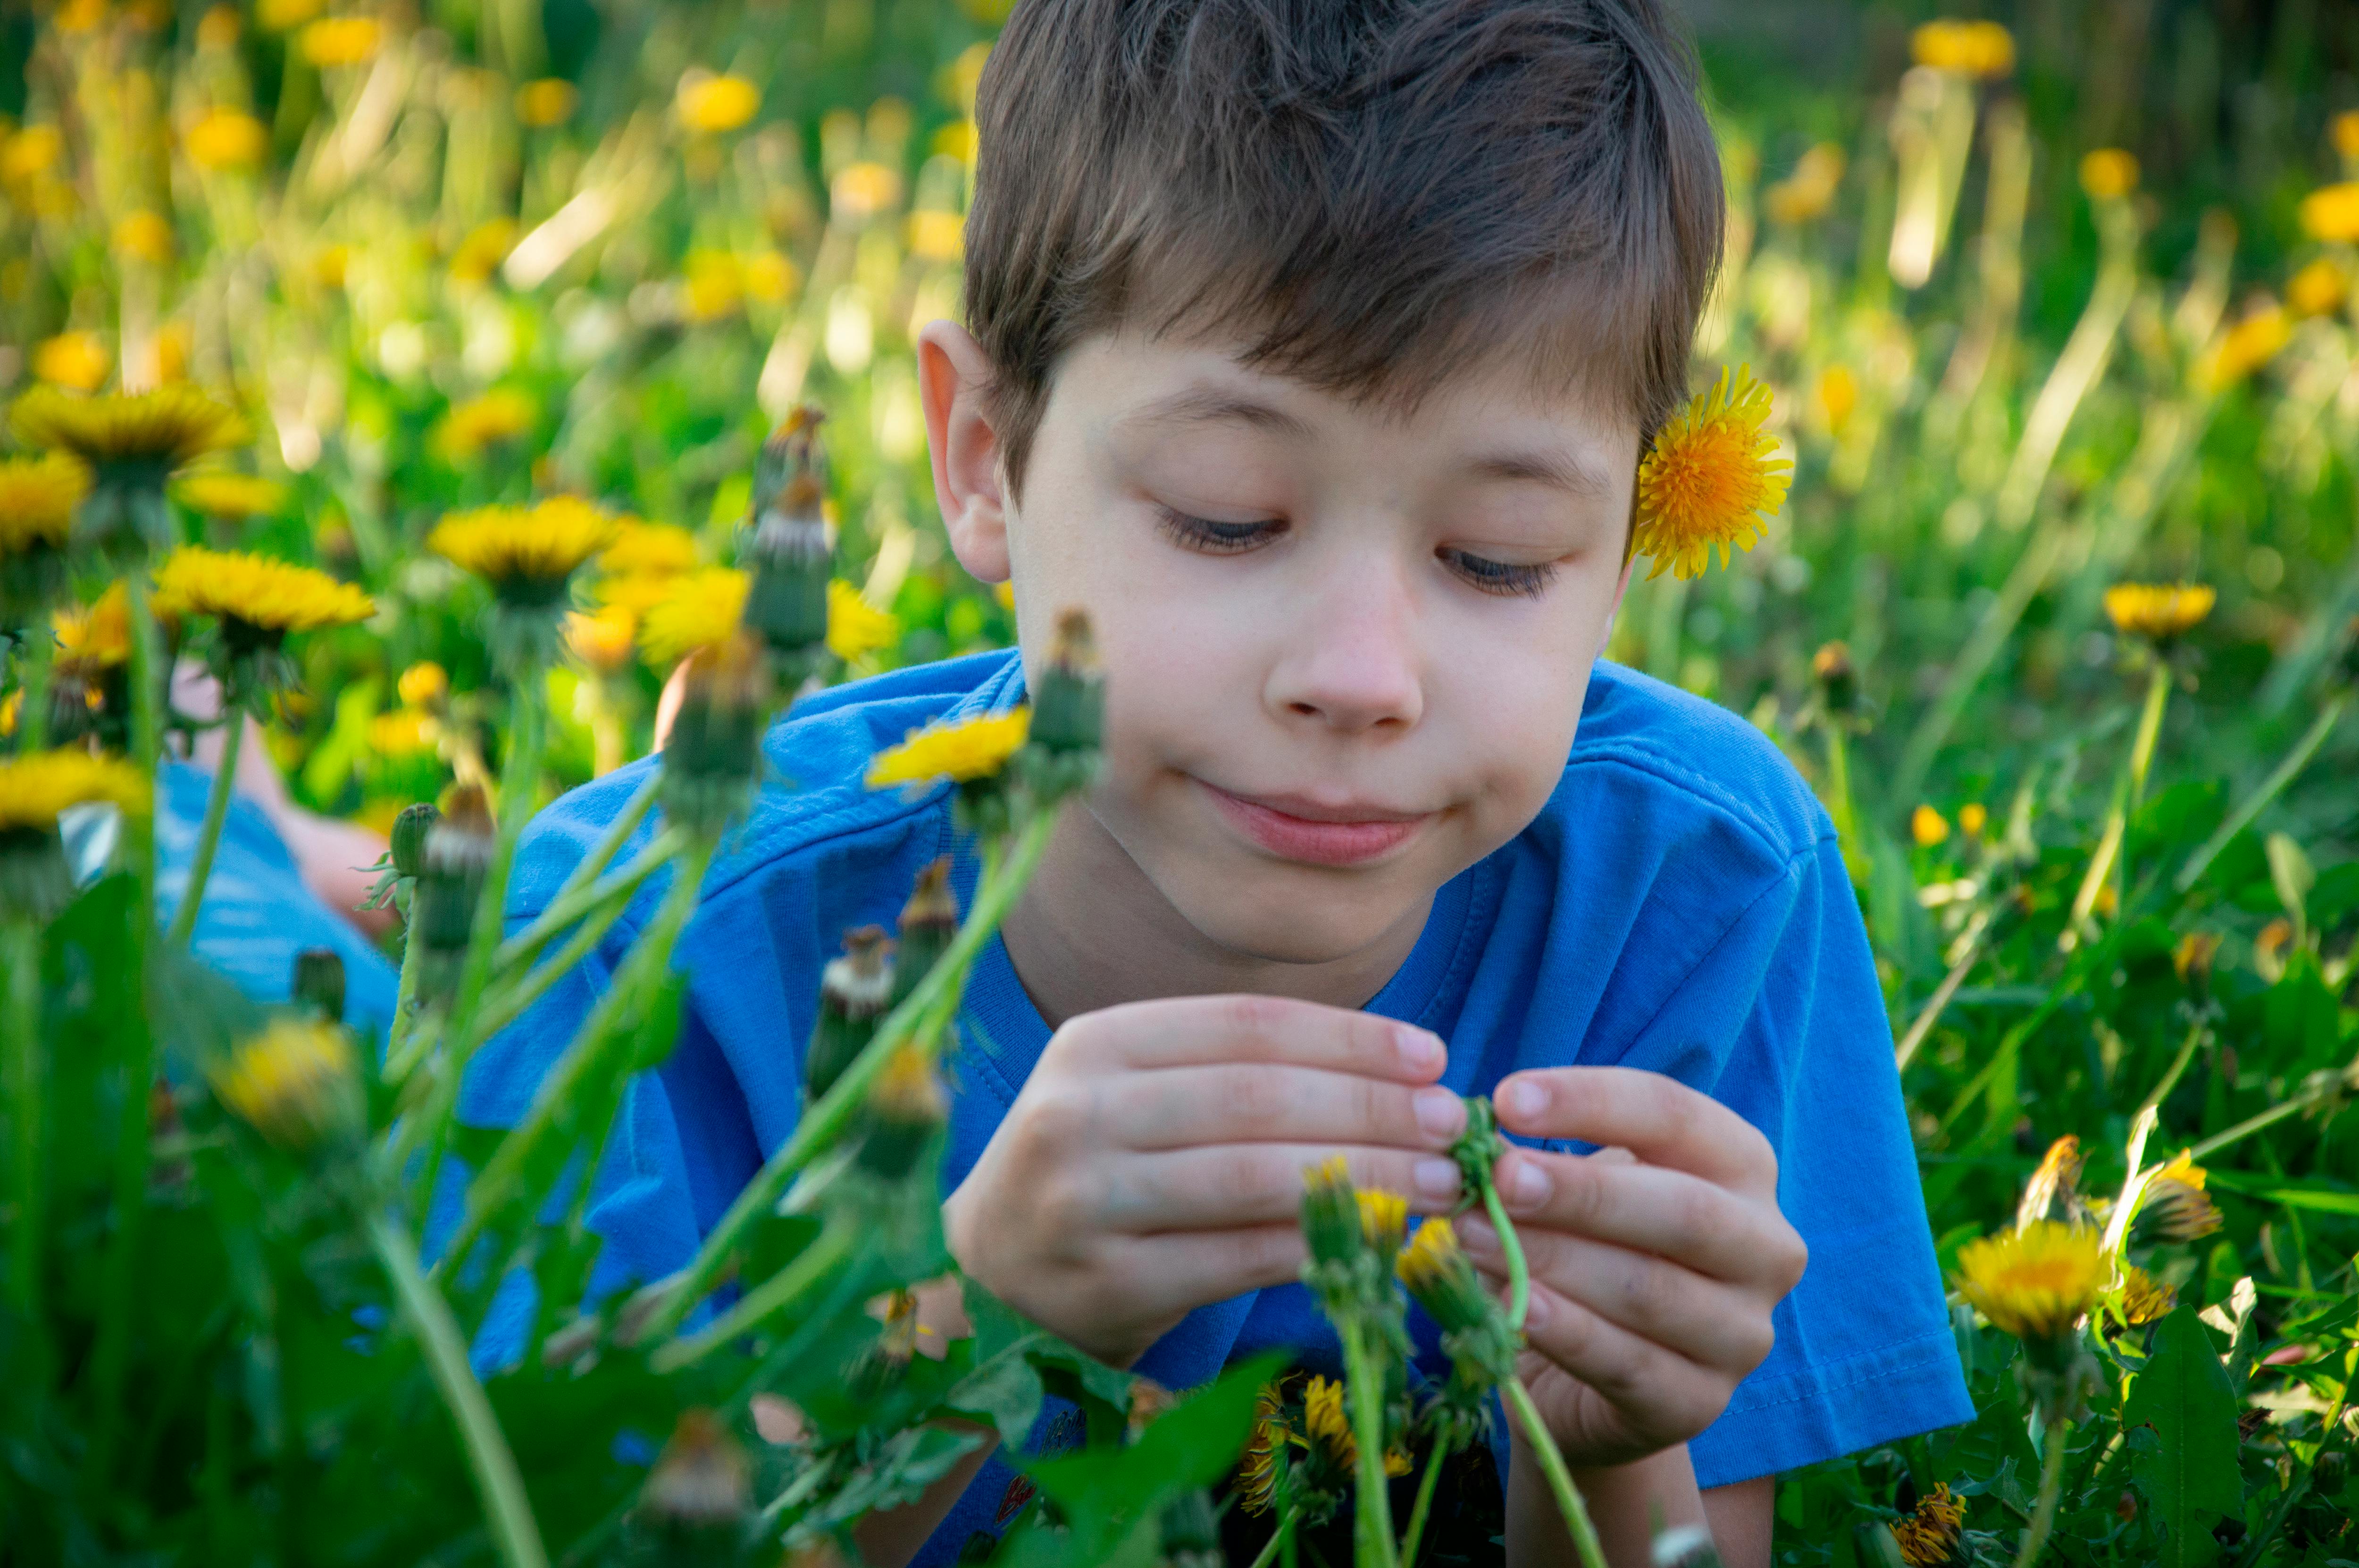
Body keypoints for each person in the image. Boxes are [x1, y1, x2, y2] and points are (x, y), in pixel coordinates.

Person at [470, 0, 1971, 1562]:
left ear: (1620, 548)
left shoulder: (1703, 888)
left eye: (1497, 558)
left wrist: (1606, 1451)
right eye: (1227, 517)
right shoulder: (642, 949)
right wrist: (970, 1309)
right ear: (987, 457)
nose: (1361, 673)